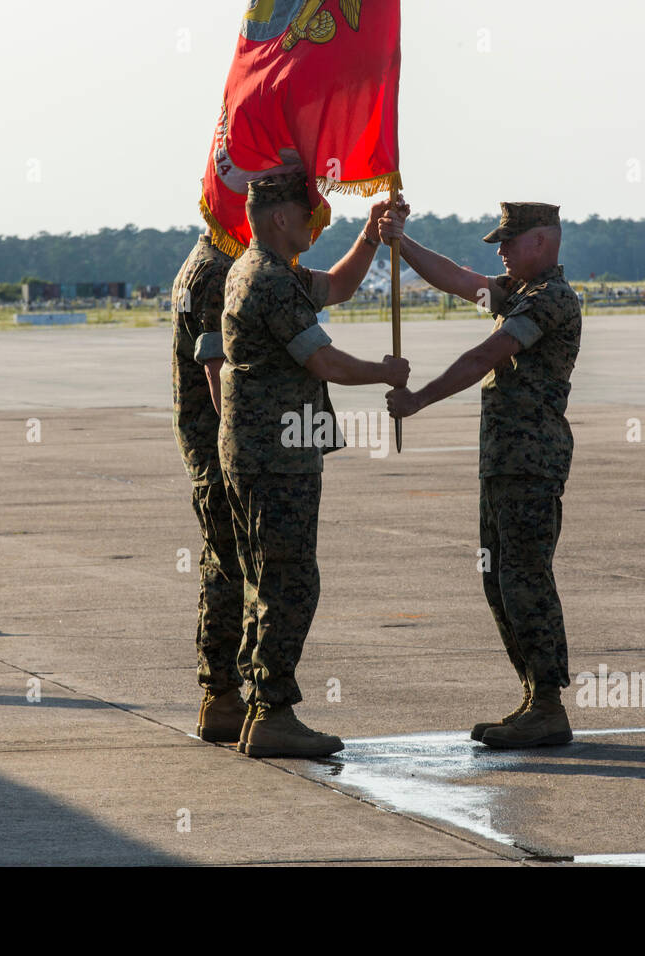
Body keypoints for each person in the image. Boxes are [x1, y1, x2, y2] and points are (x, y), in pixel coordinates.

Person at [221, 172, 409, 758]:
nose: (313, 221)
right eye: (307, 213)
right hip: (274, 459)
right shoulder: (270, 281)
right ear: (280, 217)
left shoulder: (265, 271)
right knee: (291, 583)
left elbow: (341, 286)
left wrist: (373, 235)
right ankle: (273, 713)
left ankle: (261, 710)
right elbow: (323, 361)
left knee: (268, 581)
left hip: (269, 453)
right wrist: (385, 372)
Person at [382, 201, 581, 749]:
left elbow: (488, 353)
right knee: (499, 579)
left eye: (508, 242)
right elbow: (458, 280)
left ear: (540, 242)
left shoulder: (552, 300)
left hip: (531, 463)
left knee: (524, 578)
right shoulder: (520, 292)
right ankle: (533, 696)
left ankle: (547, 704)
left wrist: (420, 398)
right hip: (504, 462)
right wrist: (402, 242)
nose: (500, 252)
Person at [171, 232, 247, 743]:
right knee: (229, 566)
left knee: (225, 564)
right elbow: (219, 375)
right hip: (222, 450)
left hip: (214, 446)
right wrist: (239, 443)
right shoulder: (217, 271)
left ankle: (222, 695)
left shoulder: (207, 263)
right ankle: (221, 695)